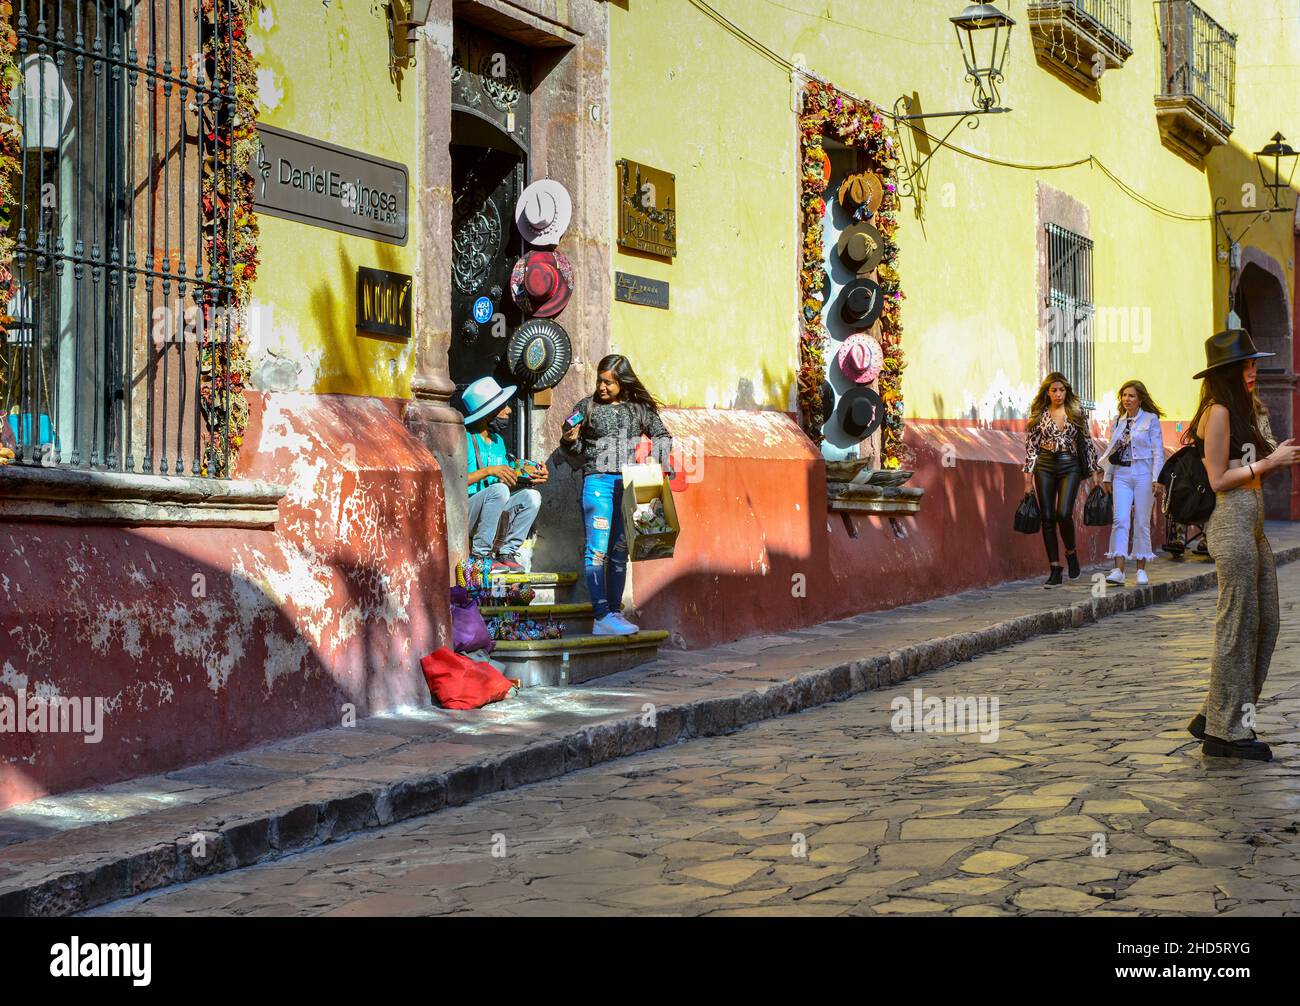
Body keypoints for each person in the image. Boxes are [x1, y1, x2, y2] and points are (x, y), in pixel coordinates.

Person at [1184, 330, 1300, 761]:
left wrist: (1274, 457)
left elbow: (1255, 469)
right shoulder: (1216, 413)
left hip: (1253, 521)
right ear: (1228, 372)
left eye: (1254, 364)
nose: (1253, 371)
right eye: (1246, 366)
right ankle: (1227, 733)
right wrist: (1269, 462)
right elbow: (1217, 480)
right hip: (1230, 521)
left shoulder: (1248, 411)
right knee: (1238, 623)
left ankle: (1212, 714)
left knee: (1266, 622)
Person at [559, 354, 673, 636]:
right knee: (596, 550)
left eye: (609, 382)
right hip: (597, 481)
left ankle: (614, 613)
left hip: (630, 485)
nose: (602, 387)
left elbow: (663, 435)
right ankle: (600, 615)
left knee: (620, 551)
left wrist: (655, 462)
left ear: (622, 382)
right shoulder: (586, 408)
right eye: (599, 380)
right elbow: (573, 452)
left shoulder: (639, 410)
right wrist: (569, 440)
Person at [1022, 372, 1102, 587]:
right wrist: (1027, 480)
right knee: (1047, 516)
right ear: (1047, 393)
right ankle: (1055, 568)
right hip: (1045, 465)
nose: (1058, 394)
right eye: (1054, 390)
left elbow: (1086, 442)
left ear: (1067, 391)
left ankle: (1071, 552)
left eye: (1062, 390)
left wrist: (1095, 472)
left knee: (1063, 513)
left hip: (1070, 464)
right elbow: (1032, 447)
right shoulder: (1039, 413)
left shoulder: (1076, 412)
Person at [463, 376, 547, 572]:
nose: (509, 411)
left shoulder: (498, 441)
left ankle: (506, 552)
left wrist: (530, 479)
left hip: (491, 517)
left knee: (532, 497)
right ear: (487, 413)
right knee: (499, 490)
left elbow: (503, 486)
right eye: (503, 407)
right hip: (465, 514)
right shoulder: (463, 439)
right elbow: (451, 484)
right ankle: (480, 555)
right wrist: (487, 471)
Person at [1101, 381, 1166, 586]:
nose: (1126, 399)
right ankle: (1118, 570)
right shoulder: (1118, 421)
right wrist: (1107, 477)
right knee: (1120, 520)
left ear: (1140, 399)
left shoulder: (1150, 419)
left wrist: (1157, 478)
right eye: (1124, 395)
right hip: (1122, 474)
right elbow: (1113, 451)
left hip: (1143, 474)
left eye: (1131, 396)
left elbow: (1158, 451)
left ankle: (1140, 570)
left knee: (1141, 521)